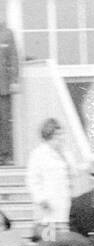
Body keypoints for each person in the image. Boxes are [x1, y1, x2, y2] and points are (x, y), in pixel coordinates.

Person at [27, 119, 75, 240]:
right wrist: (41, 199)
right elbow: (32, 180)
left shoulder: (65, 154)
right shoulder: (38, 154)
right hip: (48, 208)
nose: (61, 138)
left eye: (61, 134)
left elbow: (73, 172)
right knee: (49, 241)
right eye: (57, 134)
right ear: (49, 134)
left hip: (63, 205)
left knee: (63, 240)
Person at [0, 13, 18, 166]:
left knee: (5, 121)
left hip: (3, 87)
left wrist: (14, 80)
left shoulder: (7, 34)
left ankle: (4, 155)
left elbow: (13, 57)